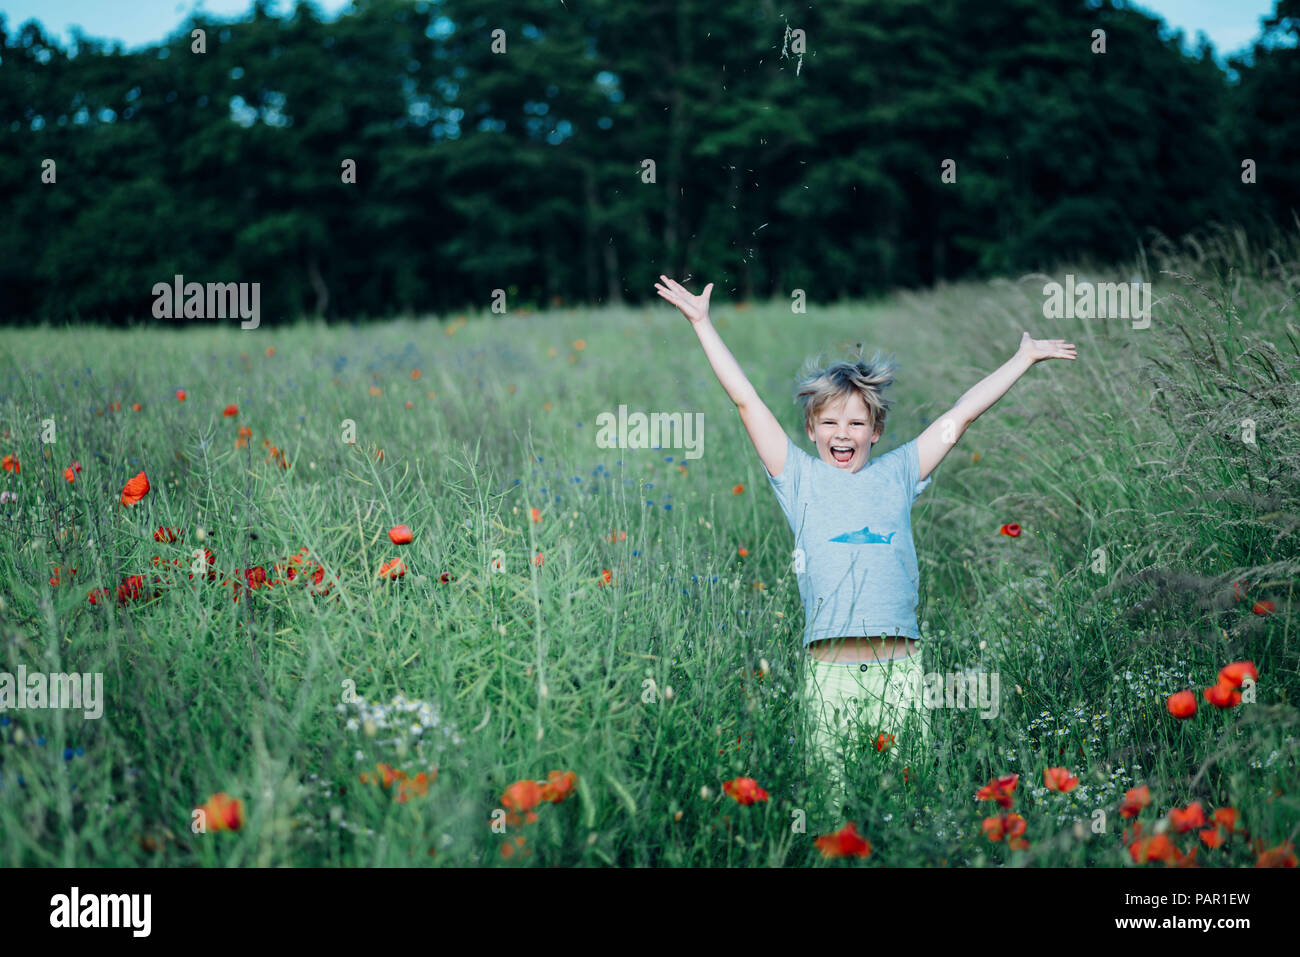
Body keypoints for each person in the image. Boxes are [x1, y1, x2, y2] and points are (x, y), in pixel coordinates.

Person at [654, 275, 1077, 819]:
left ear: (876, 431)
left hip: (900, 671)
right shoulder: (797, 477)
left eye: (857, 422)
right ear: (811, 429)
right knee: (829, 808)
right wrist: (702, 324)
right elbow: (745, 400)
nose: (843, 433)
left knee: (911, 803)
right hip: (826, 674)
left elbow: (961, 416)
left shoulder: (900, 472)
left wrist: (1023, 359)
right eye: (830, 422)